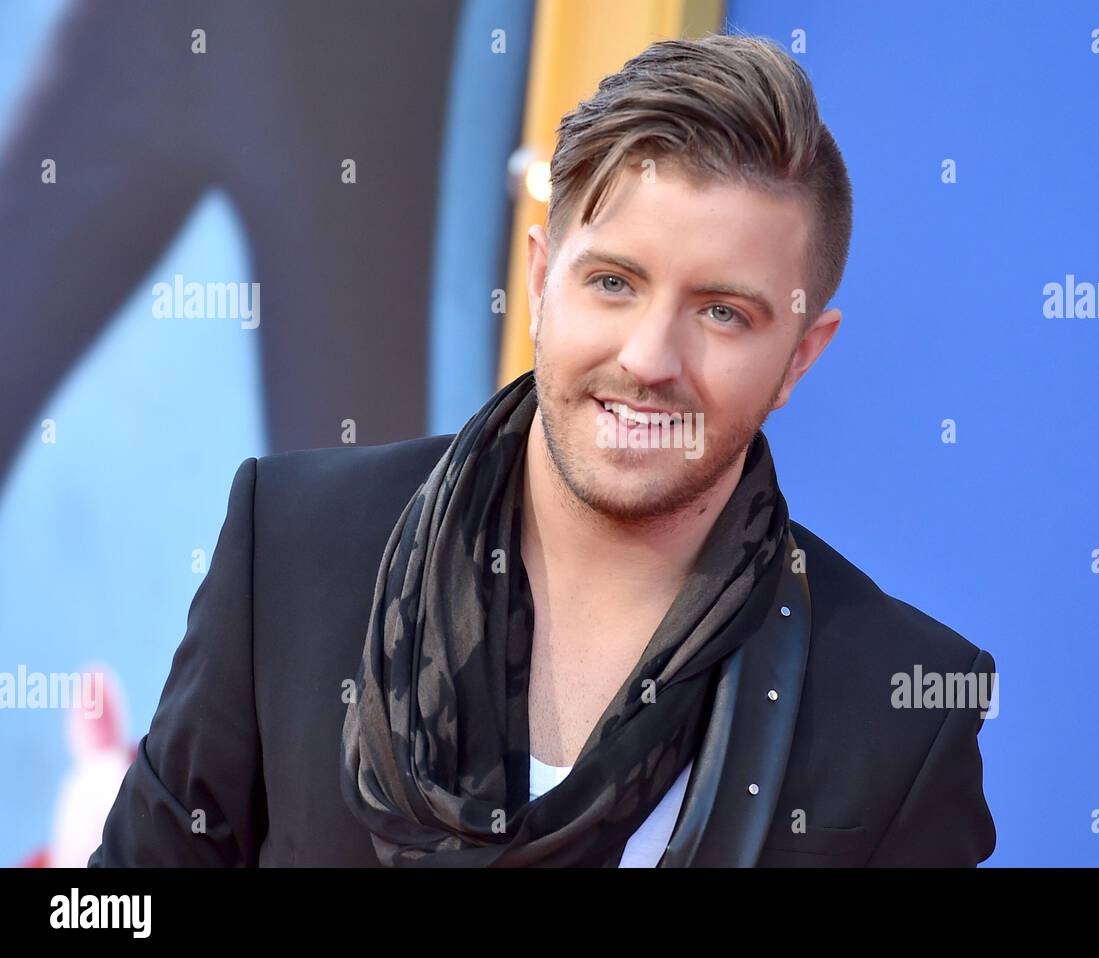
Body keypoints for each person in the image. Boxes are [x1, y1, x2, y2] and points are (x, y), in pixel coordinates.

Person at [90, 32, 996, 868]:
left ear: (800, 355)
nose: (649, 359)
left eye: (723, 312)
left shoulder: (895, 708)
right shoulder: (294, 547)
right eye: (613, 283)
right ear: (536, 281)